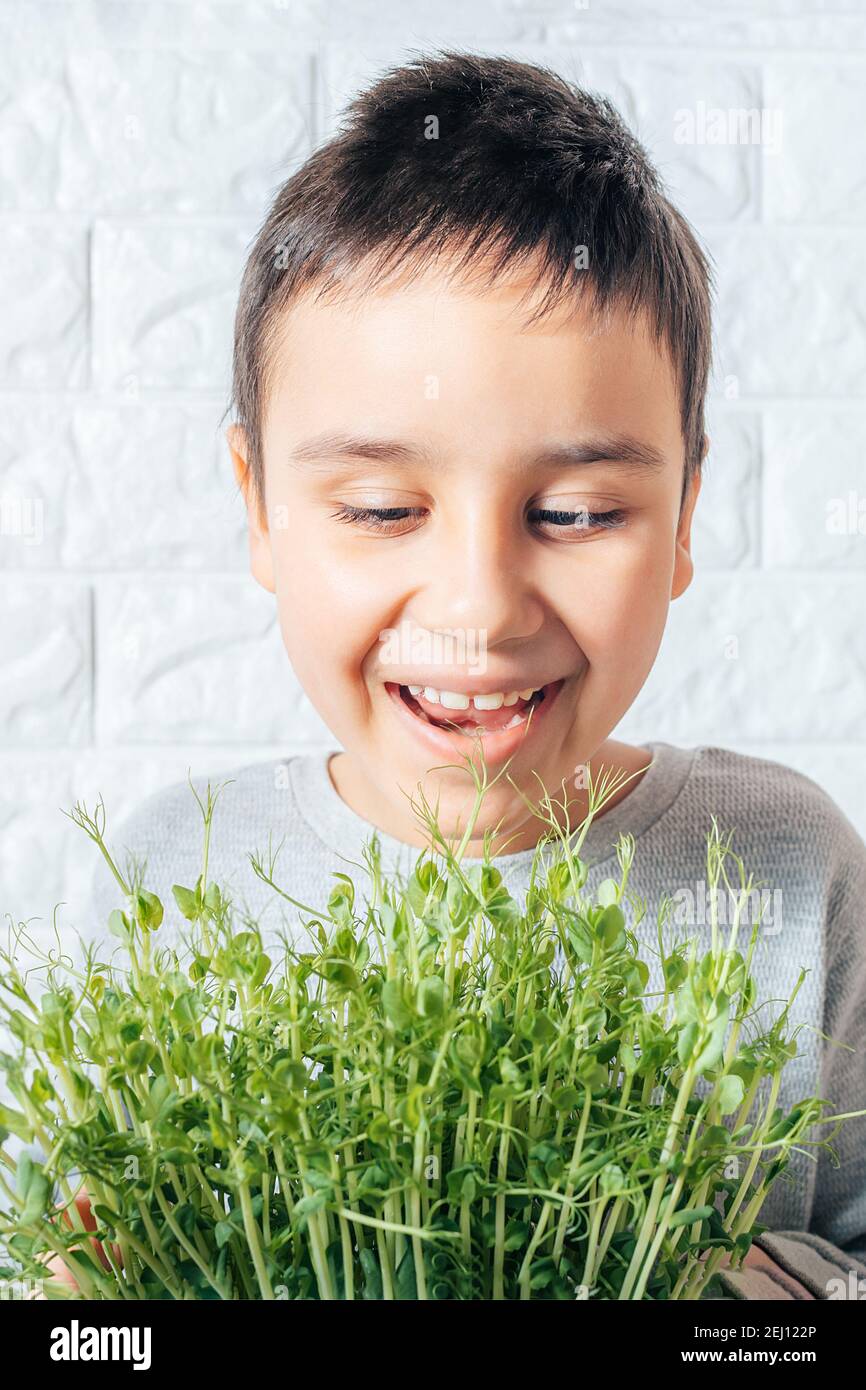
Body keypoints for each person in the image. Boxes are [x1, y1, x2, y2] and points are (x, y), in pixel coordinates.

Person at [80, 51, 866, 1301]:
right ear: (260, 510)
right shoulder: (174, 876)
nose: (479, 607)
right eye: (386, 507)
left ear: (681, 518)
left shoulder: (789, 870)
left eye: (571, 511)